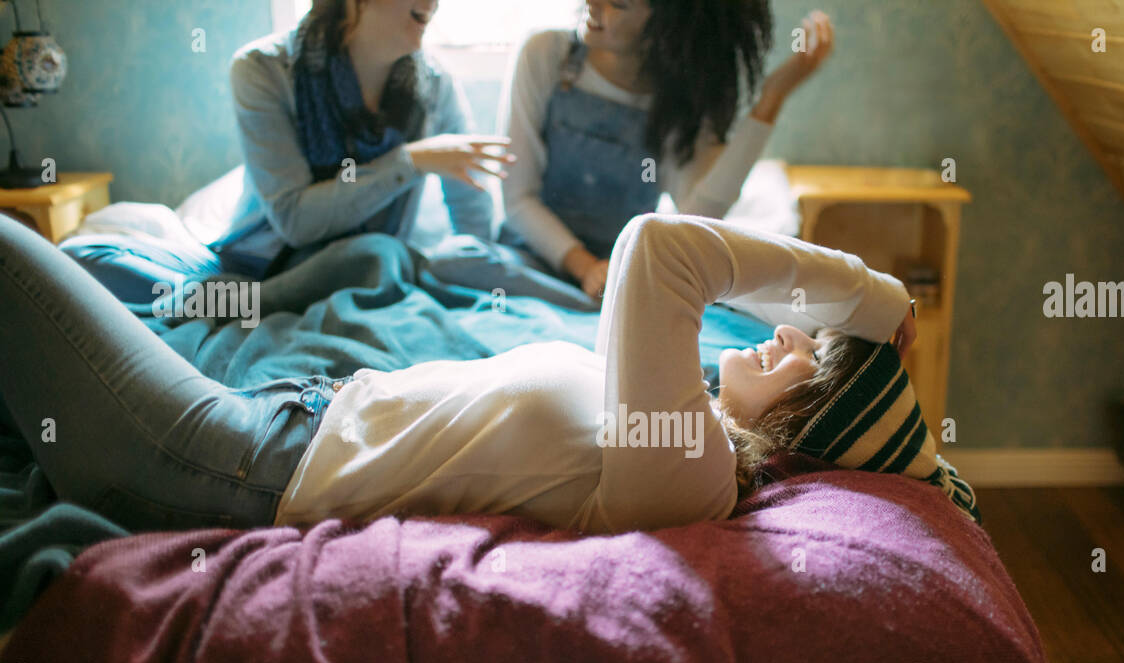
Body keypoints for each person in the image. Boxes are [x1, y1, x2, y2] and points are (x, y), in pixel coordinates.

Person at [0, 210, 980, 538]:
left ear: (802, 423)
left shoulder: (691, 471)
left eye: (812, 363)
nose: (792, 339)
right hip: (267, 427)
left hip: (218, 462)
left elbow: (659, 248)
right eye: (812, 332)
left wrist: (872, 298)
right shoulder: (679, 434)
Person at [59, 0, 519, 309]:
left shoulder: (436, 87)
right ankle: (235, 301)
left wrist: (474, 273)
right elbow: (296, 220)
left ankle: (227, 306)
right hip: (256, 271)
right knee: (80, 257)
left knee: (377, 254)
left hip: (368, 269)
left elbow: (474, 225)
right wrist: (411, 162)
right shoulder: (262, 69)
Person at [428, 1, 835, 309]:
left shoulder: (684, 100)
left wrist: (771, 99)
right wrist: (585, 268)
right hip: (529, 263)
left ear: (666, 25)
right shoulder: (547, 53)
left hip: (621, 276)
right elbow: (517, 199)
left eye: (618, 3)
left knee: (728, 298)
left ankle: (598, 310)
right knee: (454, 257)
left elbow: (698, 216)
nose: (594, 4)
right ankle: (599, 313)